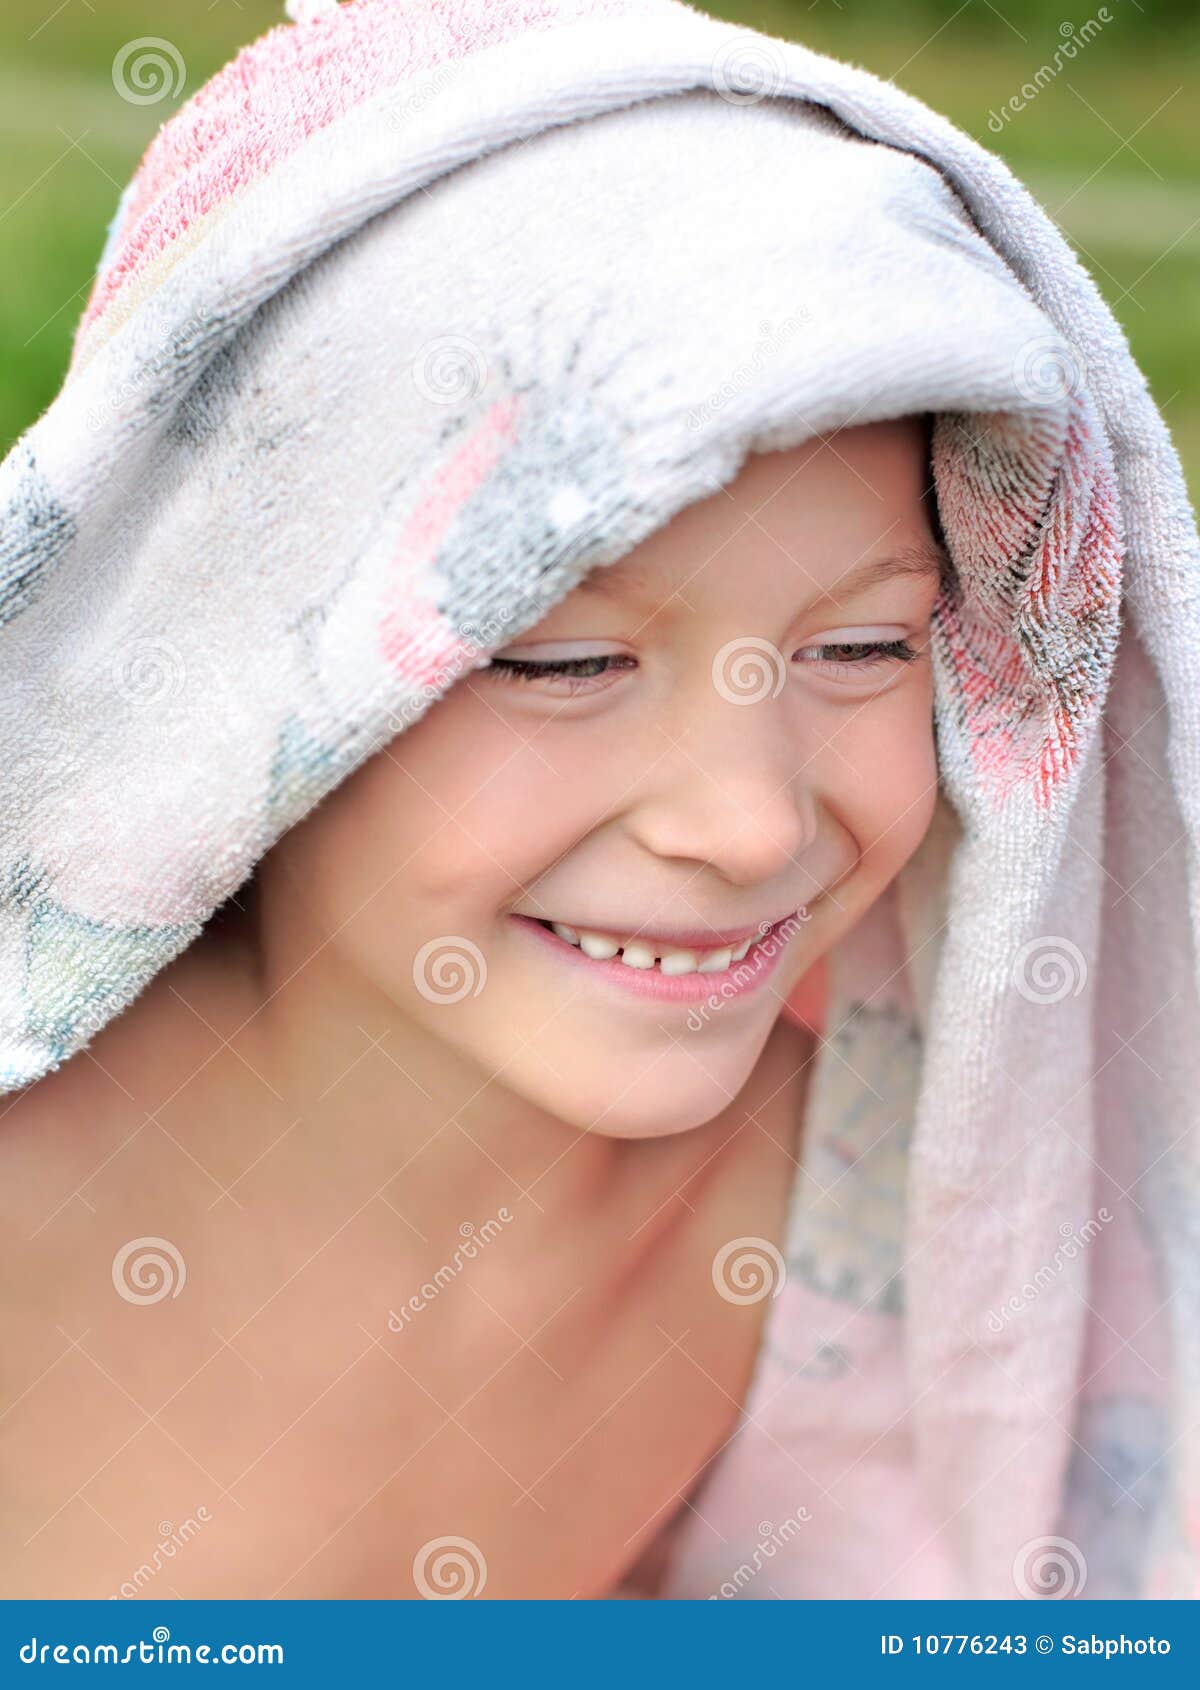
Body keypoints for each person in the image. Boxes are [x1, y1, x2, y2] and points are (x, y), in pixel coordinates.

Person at [1, 0, 1196, 1601]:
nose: (751, 822)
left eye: (860, 644)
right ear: (243, 653)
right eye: (565, 662)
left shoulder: (904, 1207)